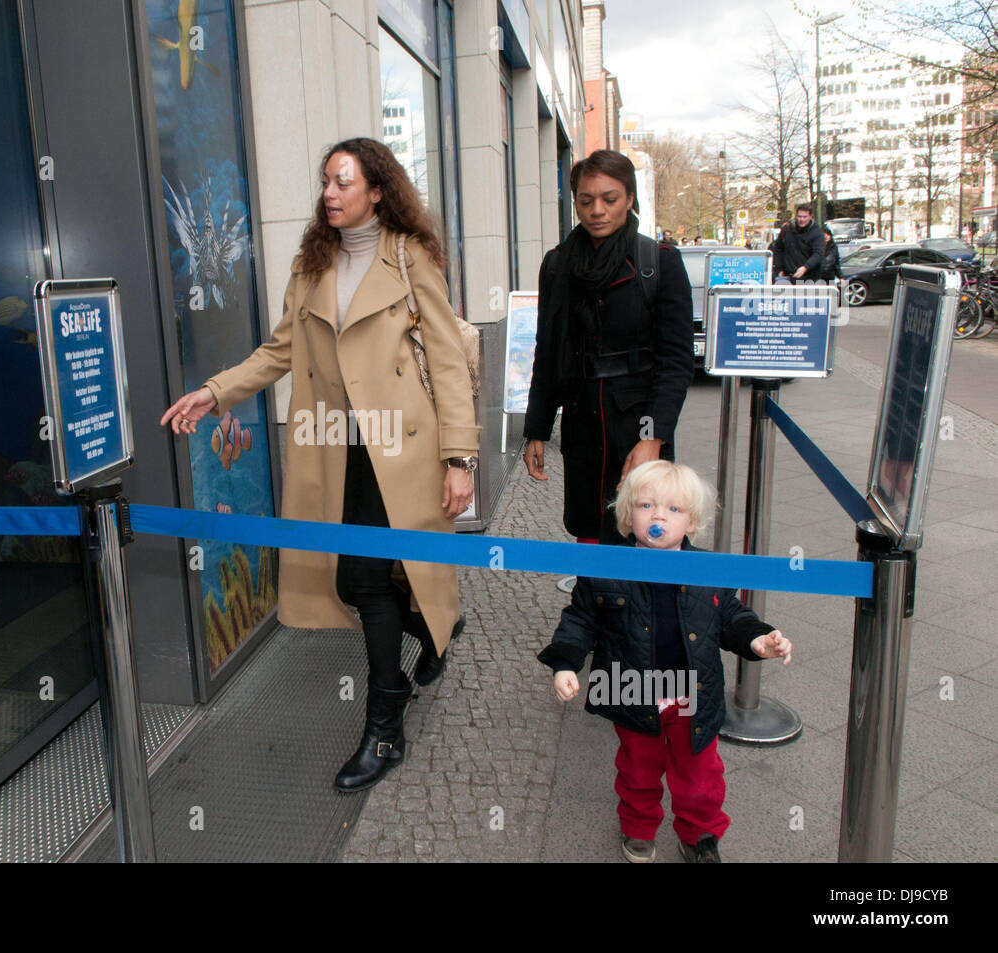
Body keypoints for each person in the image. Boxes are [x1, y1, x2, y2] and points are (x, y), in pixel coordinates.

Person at [160, 137, 479, 792]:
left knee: (366, 577)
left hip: (405, 443)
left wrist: (459, 456)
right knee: (359, 575)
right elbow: (278, 353)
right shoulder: (311, 264)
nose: (330, 194)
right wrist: (214, 390)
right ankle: (427, 620)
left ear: (377, 190)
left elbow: (447, 359)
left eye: (344, 182)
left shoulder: (410, 255)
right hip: (336, 442)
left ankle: (384, 725)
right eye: (325, 182)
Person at [537, 460, 794, 863]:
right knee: (638, 770)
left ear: (691, 522)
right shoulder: (606, 568)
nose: (658, 515)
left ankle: (700, 834)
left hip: (693, 694)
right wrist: (566, 663)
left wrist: (758, 638)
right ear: (627, 516)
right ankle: (638, 827)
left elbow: (731, 616)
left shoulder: (707, 570)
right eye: (646, 506)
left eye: (673, 509)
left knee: (701, 776)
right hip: (632, 692)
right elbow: (580, 619)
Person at [523, 149, 694, 545]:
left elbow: (675, 362)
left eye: (609, 199)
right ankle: (591, 602)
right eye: (586, 200)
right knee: (587, 527)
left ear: (630, 199)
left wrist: (652, 436)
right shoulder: (557, 265)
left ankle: (644, 606)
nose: (597, 210)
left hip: (638, 421)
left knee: (647, 527)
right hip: (582, 422)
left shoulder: (659, 262)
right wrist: (537, 428)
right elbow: (548, 351)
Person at [769, 203, 823, 283]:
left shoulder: (817, 232)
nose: (801, 220)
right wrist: (779, 269)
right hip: (788, 277)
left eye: (804, 217)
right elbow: (778, 249)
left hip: (809, 278)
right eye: (799, 216)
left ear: (811, 217)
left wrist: (805, 267)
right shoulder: (787, 229)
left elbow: (818, 254)